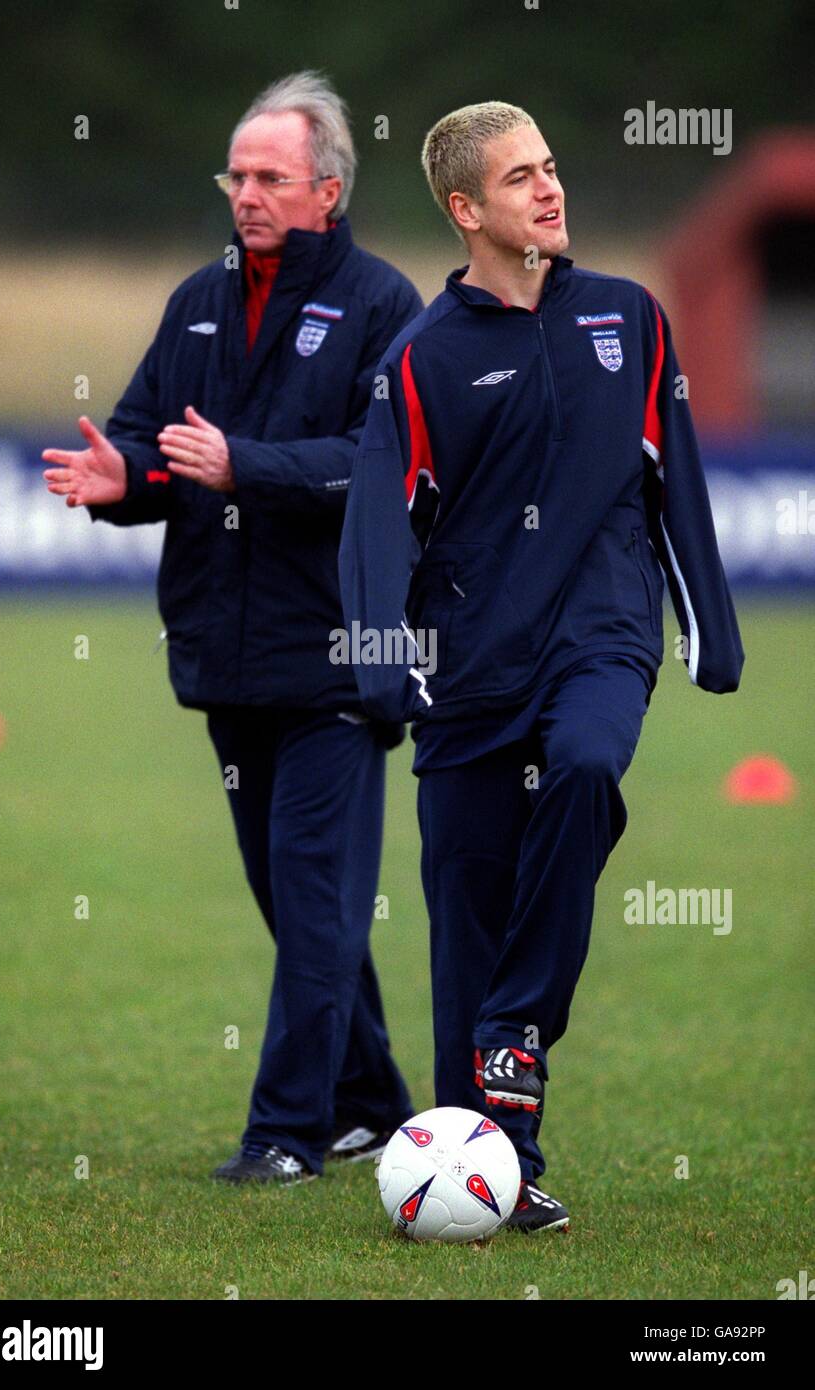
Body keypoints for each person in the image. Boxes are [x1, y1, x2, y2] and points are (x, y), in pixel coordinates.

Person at [338, 101, 744, 1232]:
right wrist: (382, 663)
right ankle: (495, 1170)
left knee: (581, 768)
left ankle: (518, 1018)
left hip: (602, 638)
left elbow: (677, 484)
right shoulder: (419, 360)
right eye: (521, 178)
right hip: (467, 673)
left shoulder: (629, 317)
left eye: (552, 168)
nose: (549, 190)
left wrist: (706, 624)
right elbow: (377, 526)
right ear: (466, 209)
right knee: (463, 919)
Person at [42, 71, 421, 1185]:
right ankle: (368, 1103)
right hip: (225, 655)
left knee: (312, 900)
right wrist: (122, 478)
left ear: (328, 188)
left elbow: (379, 464)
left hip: (339, 658)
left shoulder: (383, 305)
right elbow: (142, 442)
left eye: (269, 177)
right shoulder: (197, 301)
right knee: (297, 903)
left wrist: (244, 463)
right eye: (235, 175)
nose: (246, 195)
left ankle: (285, 1134)